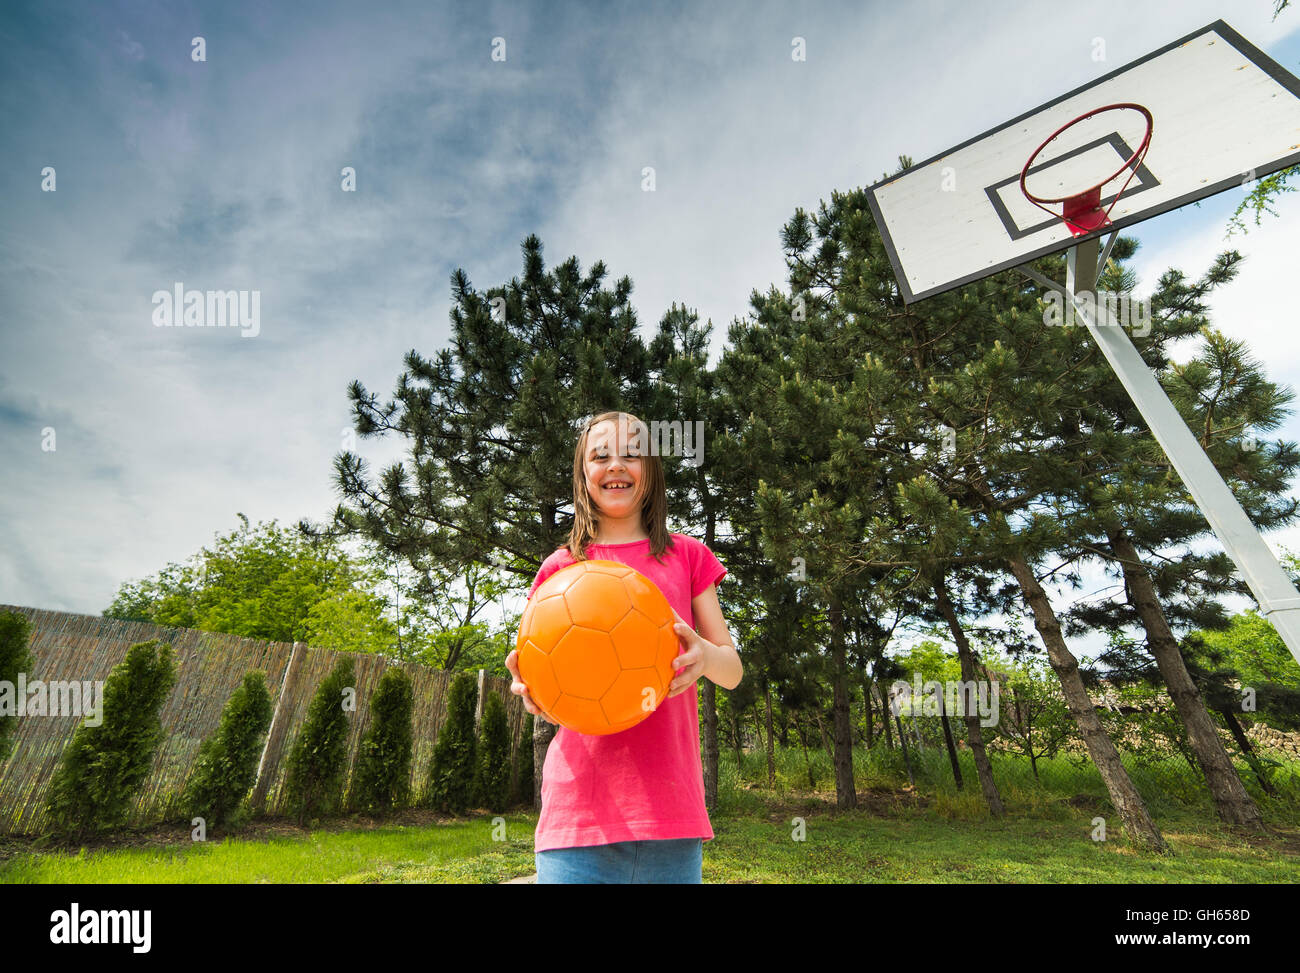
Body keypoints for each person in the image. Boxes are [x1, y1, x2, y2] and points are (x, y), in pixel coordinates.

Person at [504, 410, 743, 883]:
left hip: (671, 813)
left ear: (651, 471)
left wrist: (703, 657)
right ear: (583, 474)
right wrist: (530, 692)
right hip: (577, 818)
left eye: (632, 454)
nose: (616, 464)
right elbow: (537, 676)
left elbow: (732, 671)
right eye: (600, 455)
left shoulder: (688, 557)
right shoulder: (560, 568)